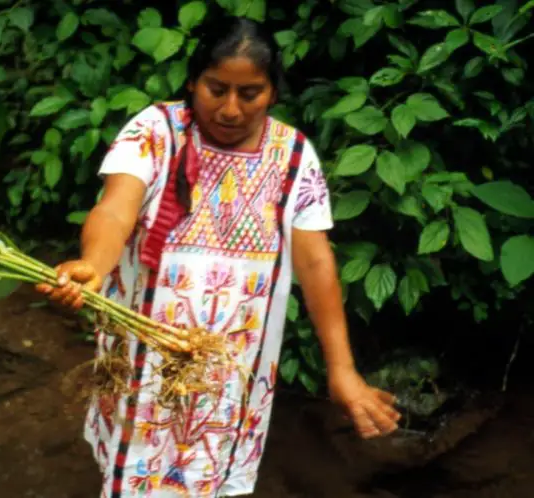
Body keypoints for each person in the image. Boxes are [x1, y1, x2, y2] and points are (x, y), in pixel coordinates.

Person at [37, 14, 401, 498]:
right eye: (216, 89)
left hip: (234, 371)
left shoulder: (292, 157)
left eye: (248, 94)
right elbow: (115, 210)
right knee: (135, 477)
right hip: (146, 362)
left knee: (209, 477)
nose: (230, 109)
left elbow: (315, 264)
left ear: (272, 92)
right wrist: (95, 266)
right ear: (192, 81)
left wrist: (341, 369)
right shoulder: (156, 132)